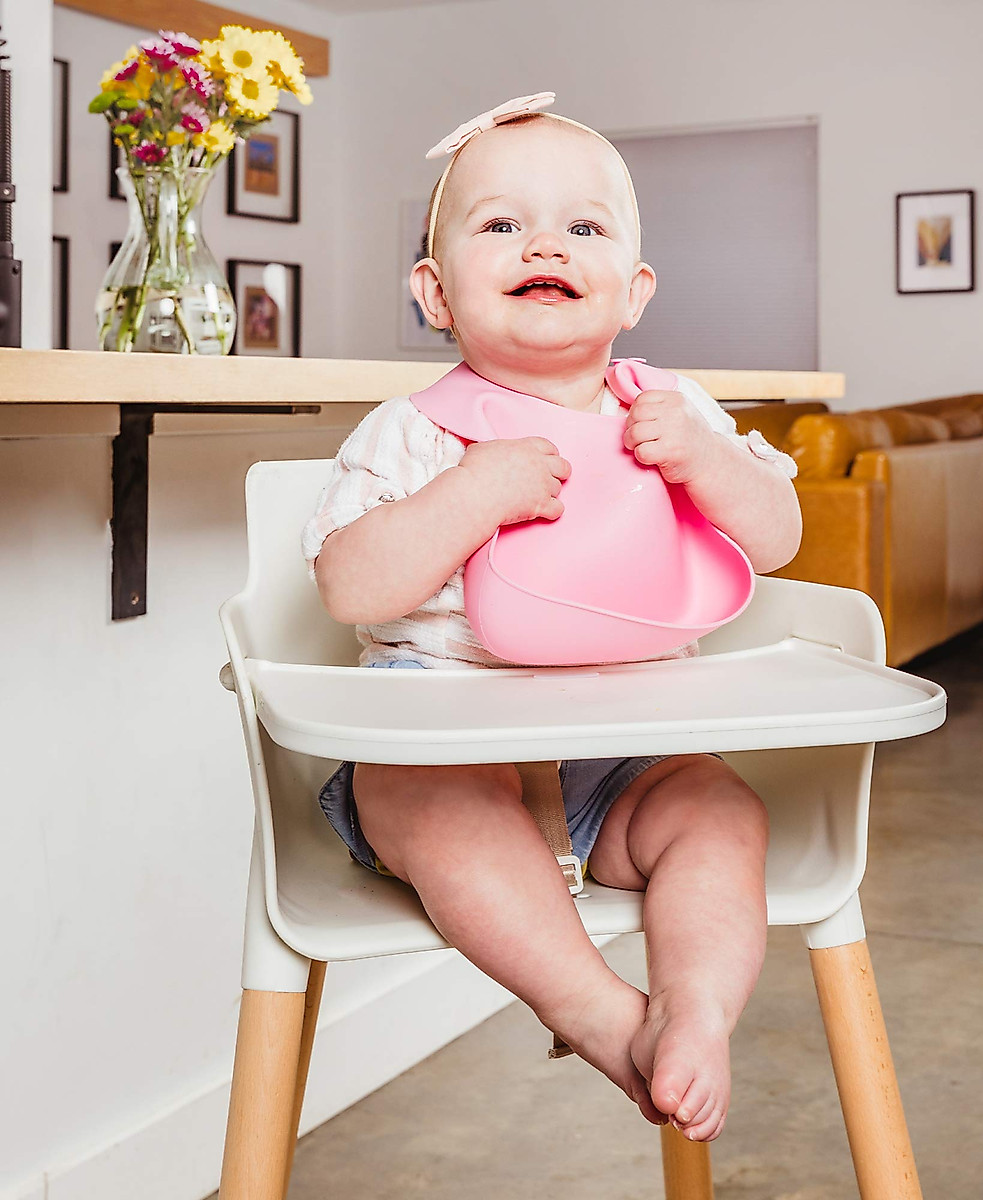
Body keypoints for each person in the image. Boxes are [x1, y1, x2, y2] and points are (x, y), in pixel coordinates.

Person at [302, 94, 802, 1143]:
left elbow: (778, 537)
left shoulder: (672, 411)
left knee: (722, 815)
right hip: (440, 754)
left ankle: (696, 1008)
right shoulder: (415, 435)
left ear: (635, 288)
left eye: (584, 228)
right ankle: (600, 1012)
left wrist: (707, 461)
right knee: (432, 809)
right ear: (435, 294)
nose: (545, 244)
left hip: (628, 758)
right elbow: (349, 587)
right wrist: (470, 498)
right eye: (500, 224)